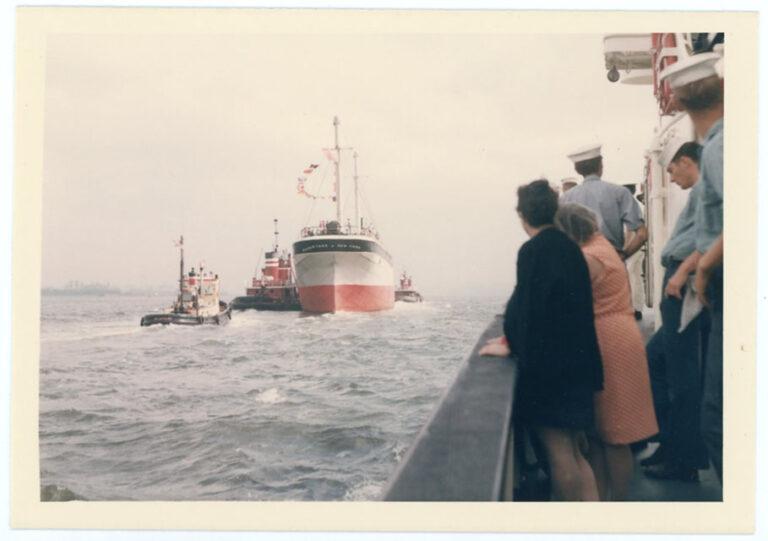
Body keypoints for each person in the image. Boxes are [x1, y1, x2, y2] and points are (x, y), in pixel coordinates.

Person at [480, 180, 603, 501]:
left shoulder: (533, 251)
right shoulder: (570, 248)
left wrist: (508, 344)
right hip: (580, 368)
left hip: (551, 375)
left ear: (522, 215)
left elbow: (526, 310)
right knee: (577, 455)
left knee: (559, 456)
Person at [555, 203, 658, 500]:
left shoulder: (589, 257)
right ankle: (604, 502)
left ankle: (618, 504)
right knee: (603, 433)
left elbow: (567, 301)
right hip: (618, 337)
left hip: (609, 343)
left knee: (614, 435)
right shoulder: (603, 246)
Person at [661, 51, 724, 483]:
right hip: (702, 283)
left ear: (679, 101)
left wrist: (695, 272)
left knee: (712, 410)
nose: (673, 178)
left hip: (706, 284)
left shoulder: (718, 151)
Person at [642, 136, 709, 481]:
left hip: (681, 285)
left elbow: (710, 238)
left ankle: (684, 462)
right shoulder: (700, 194)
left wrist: (681, 273)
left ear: (687, 161)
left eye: (672, 168)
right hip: (678, 282)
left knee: (681, 377)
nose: (671, 177)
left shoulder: (705, 193)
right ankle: (670, 444)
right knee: (655, 362)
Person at [561, 144, 648, 261]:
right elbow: (642, 234)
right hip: (610, 262)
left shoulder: (565, 199)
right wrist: (623, 256)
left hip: (576, 263)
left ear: (577, 170)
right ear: (600, 165)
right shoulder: (620, 193)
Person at [622, 183, 646, 320]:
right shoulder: (639, 204)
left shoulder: (630, 205)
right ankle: (637, 307)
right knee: (636, 276)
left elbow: (631, 230)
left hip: (633, 246)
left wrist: (625, 249)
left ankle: (632, 308)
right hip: (639, 246)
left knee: (630, 276)